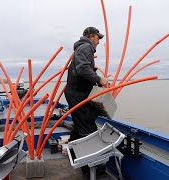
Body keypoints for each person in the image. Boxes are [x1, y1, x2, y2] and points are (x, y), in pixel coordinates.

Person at [64, 26, 108, 177]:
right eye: (98, 38)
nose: (99, 42)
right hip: (78, 95)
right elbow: (82, 69)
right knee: (88, 130)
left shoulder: (82, 48)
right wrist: (99, 79)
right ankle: (90, 169)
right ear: (90, 36)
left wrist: (93, 72)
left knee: (80, 125)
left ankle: (71, 152)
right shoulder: (86, 48)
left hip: (77, 94)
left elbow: (81, 69)